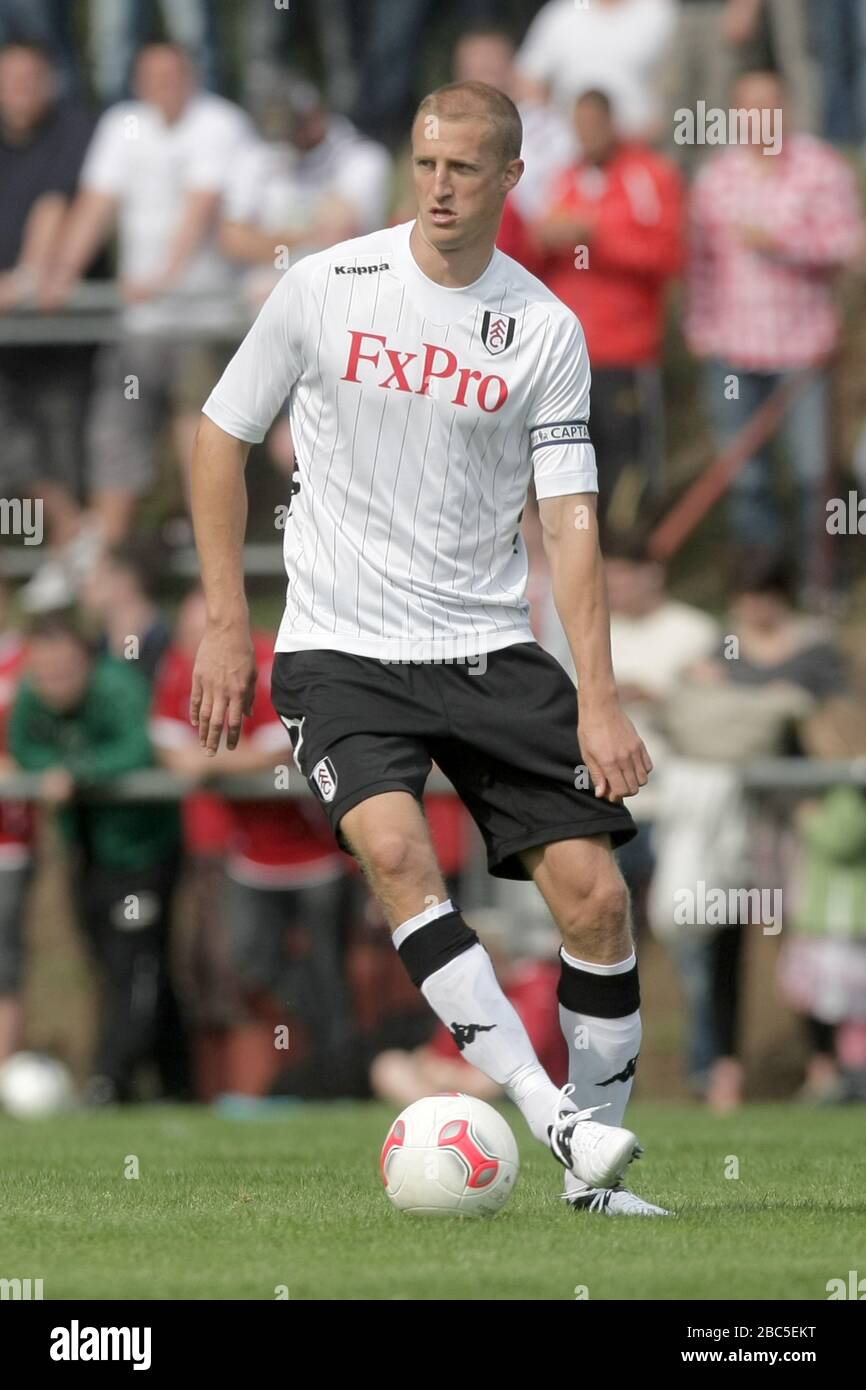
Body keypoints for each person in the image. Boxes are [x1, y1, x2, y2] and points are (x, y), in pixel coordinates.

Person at [191, 80, 666, 1217]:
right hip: (339, 649)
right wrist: (222, 622)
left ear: (509, 179)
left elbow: (569, 521)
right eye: (423, 162)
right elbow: (217, 440)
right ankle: (555, 1123)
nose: (438, 186)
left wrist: (596, 697)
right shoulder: (324, 284)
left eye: (463, 167)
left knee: (595, 899)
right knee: (396, 853)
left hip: (486, 644)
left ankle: (593, 1188)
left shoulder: (545, 329)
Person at [40, 43, 255, 554]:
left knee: (199, 452)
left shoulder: (220, 123)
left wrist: (163, 276)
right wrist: (62, 273)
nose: (165, 85)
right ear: (137, 81)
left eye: (173, 74)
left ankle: (214, 588)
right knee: (116, 453)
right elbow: (97, 203)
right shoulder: (123, 124)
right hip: (140, 324)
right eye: (153, 75)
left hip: (205, 322)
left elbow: (204, 207)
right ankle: (103, 590)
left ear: (193, 76)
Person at [685, 69, 864, 593]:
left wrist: (783, 240)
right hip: (733, 349)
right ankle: (761, 594)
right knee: (747, 479)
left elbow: (850, 246)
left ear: (784, 108)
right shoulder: (717, 176)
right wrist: (699, 324)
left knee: (814, 476)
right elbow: (701, 261)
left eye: (768, 106)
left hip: (804, 349)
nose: (757, 118)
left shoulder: (820, 167)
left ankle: (822, 588)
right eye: (747, 107)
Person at [9, 615, 189, 1103]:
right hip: (86, 853)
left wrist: (78, 772)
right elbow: (24, 746)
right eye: (44, 672)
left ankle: (111, 1080)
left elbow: (138, 748)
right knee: (110, 962)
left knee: (136, 962)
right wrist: (52, 769)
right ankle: (179, 1083)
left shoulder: (120, 688)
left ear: (87, 661)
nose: (53, 682)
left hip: (141, 851)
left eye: (64, 670)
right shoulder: (32, 694)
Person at [533, 89, 684, 529]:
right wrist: (545, 242)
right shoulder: (562, 178)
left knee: (628, 477)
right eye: (579, 126)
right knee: (565, 476)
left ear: (612, 121)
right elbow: (536, 253)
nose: (587, 135)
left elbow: (668, 254)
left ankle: (631, 570)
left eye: (594, 124)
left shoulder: (649, 175)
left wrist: (596, 235)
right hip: (565, 357)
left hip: (626, 353)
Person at [0, 41, 99, 612]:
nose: (19, 89)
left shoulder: (72, 131)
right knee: (18, 454)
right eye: (9, 78)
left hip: (59, 331)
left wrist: (31, 278)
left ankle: (77, 588)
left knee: (65, 451)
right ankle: (75, 548)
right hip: (12, 337)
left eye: (29, 78)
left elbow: (55, 207)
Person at [515, 0, 677, 140]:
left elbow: (685, 82)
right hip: (573, 153)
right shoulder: (563, 13)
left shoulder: (660, 12)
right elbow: (529, 80)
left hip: (643, 147)